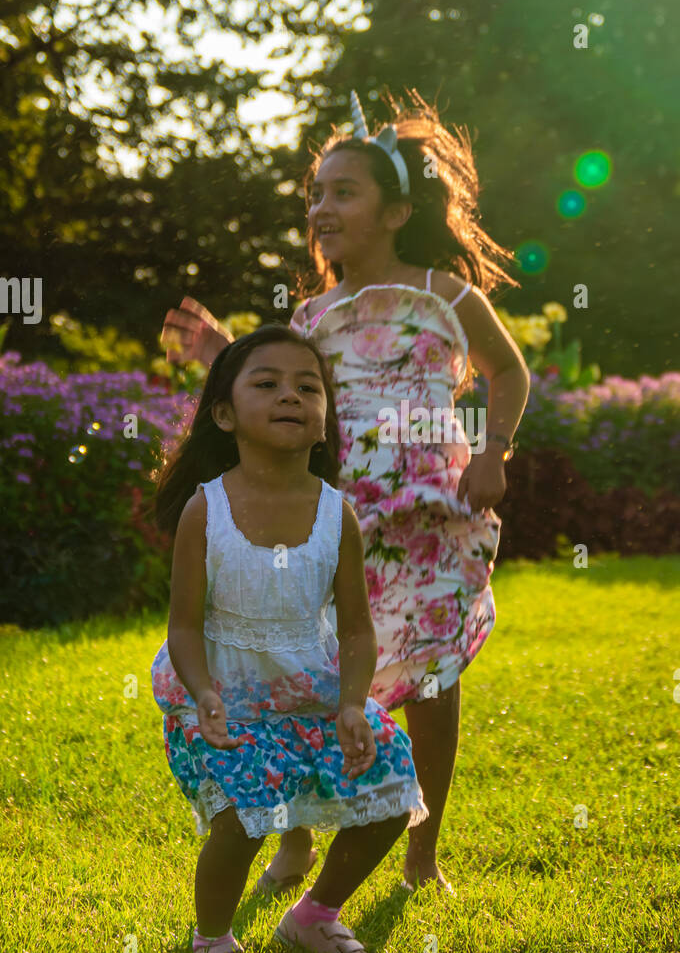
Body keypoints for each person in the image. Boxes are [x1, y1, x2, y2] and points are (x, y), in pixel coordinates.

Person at [160, 87, 530, 897]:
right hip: (335, 520)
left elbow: (510, 371)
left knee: (432, 678)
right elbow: (287, 395)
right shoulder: (313, 315)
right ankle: (295, 839)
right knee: (315, 674)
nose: (321, 210)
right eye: (314, 196)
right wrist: (227, 349)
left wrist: (495, 450)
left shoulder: (446, 294)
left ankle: (421, 849)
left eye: (343, 193)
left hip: (431, 514)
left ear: (397, 211)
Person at [150, 323, 428, 953]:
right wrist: (205, 693)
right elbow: (185, 626)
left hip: (312, 687)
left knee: (393, 784)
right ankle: (212, 937)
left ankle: (314, 916)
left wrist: (354, 704)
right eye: (267, 383)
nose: (290, 396)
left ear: (325, 421)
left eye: (308, 387)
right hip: (221, 696)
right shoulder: (206, 510)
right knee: (244, 817)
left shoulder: (338, 514)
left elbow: (357, 629)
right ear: (224, 413)